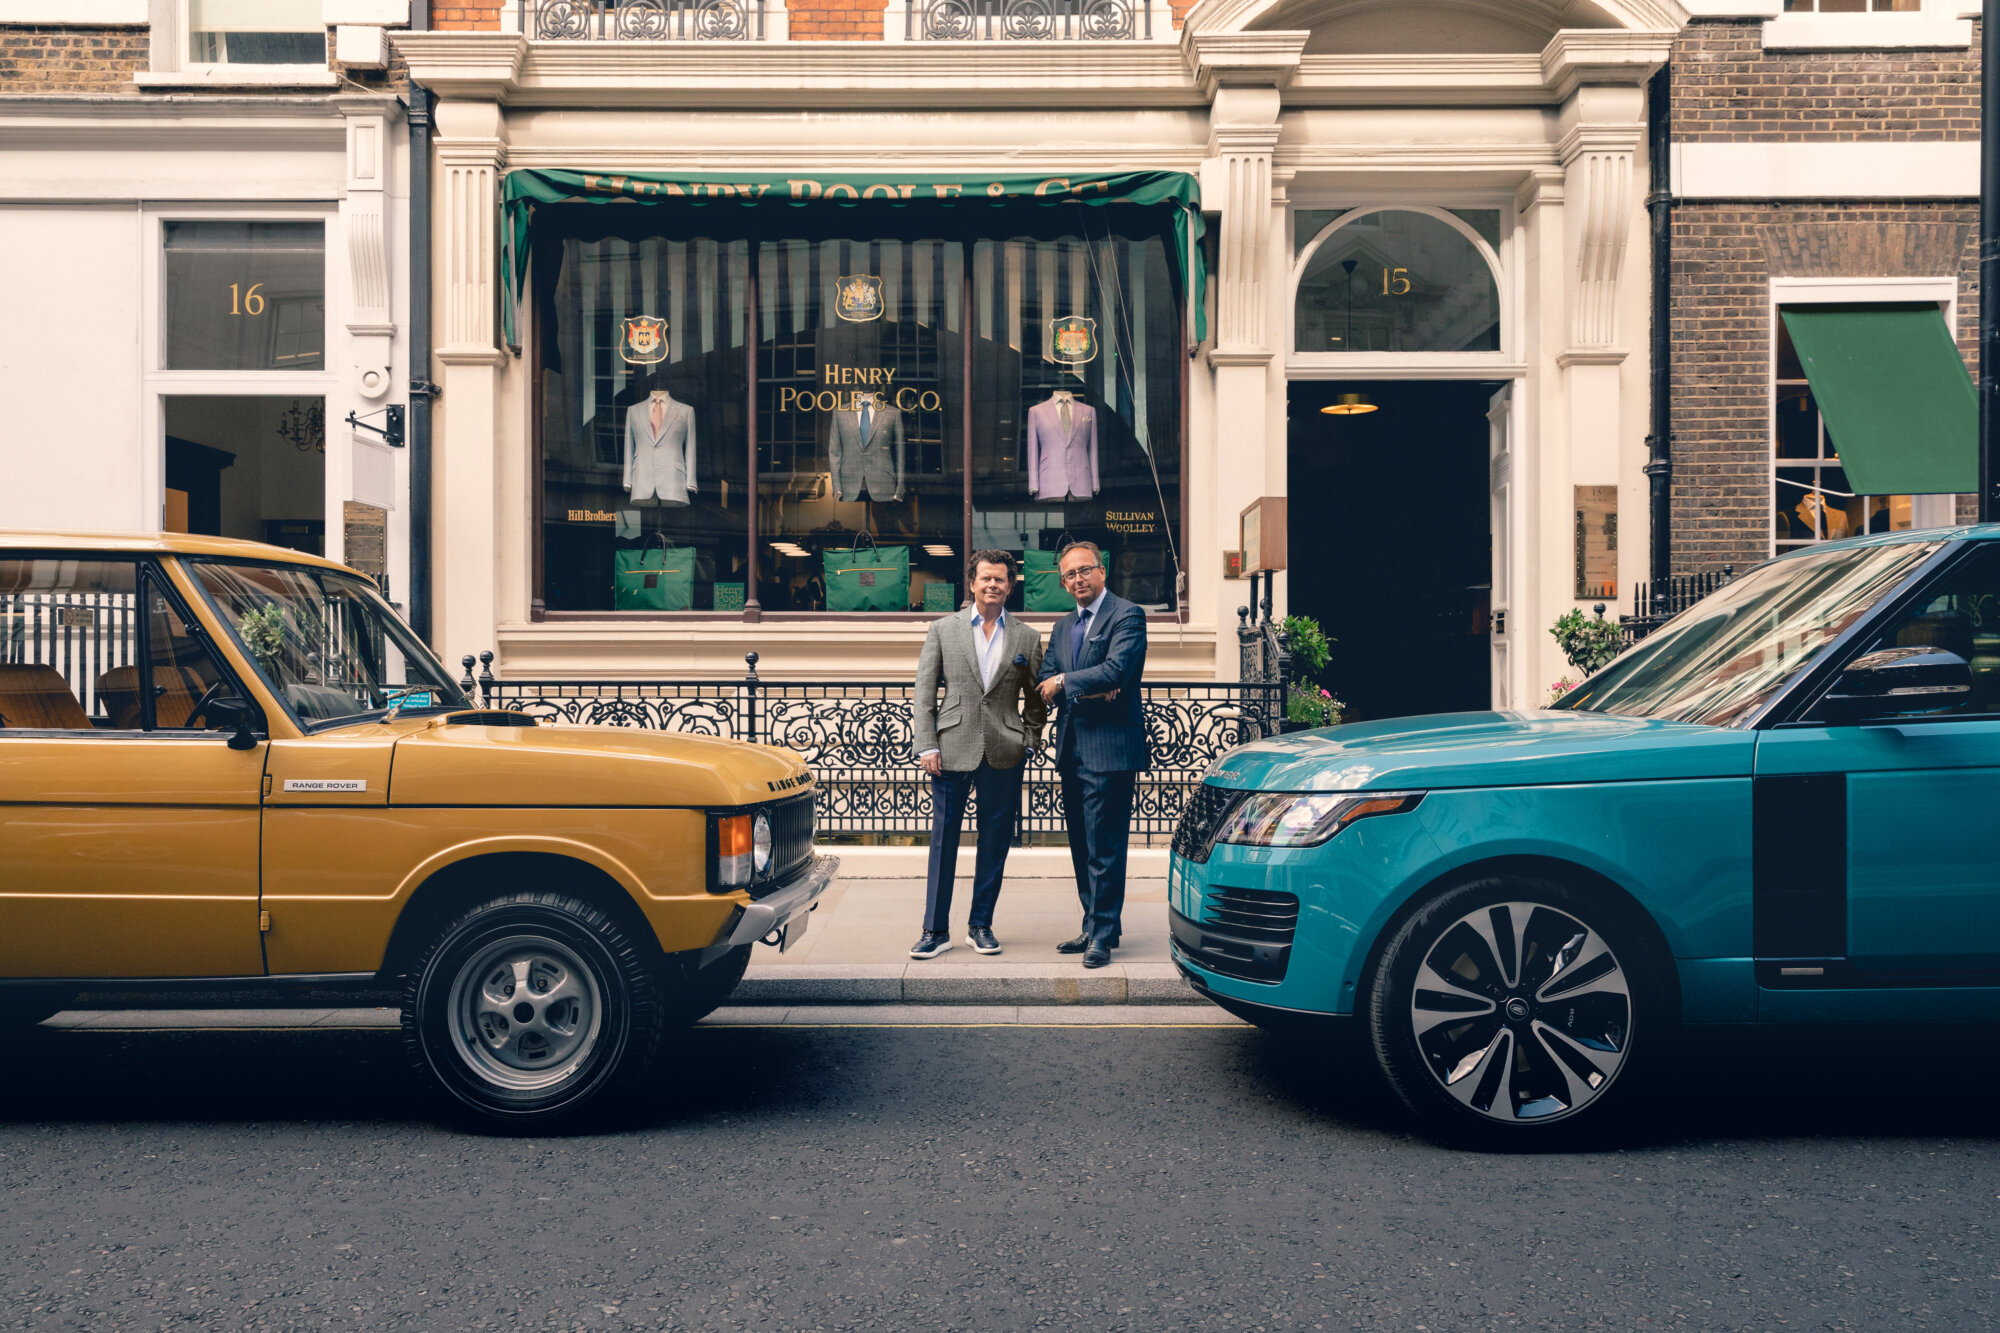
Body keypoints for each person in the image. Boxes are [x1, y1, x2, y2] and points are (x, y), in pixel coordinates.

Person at [908, 550, 1047, 960]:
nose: (993, 585)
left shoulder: (1027, 636)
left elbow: (1036, 698)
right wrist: (926, 743)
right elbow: (924, 690)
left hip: (1005, 750)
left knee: (995, 842)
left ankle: (980, 925)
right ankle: (934, 930)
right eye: (985, 578)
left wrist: (1029, 738)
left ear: (1010, 585)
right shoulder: (942, 629)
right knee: (943, 840)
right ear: (971, 583)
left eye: (1000, 579)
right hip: (949, 749)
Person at [1036, 540, 1150, 969]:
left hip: (1110, 749)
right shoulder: (1064, 626)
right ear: (1064, 583)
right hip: (1072, 748)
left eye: (1084, 570)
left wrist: (1068, 682)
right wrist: (1084, 685)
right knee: (1082, 846)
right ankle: (1095, 924)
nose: (1078, 579)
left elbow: (1119, 670)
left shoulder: (1127, 614)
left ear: (1102, 572)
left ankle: (1102, 934)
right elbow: (1048, 676)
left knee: (1105, 847)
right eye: (1069, 575)